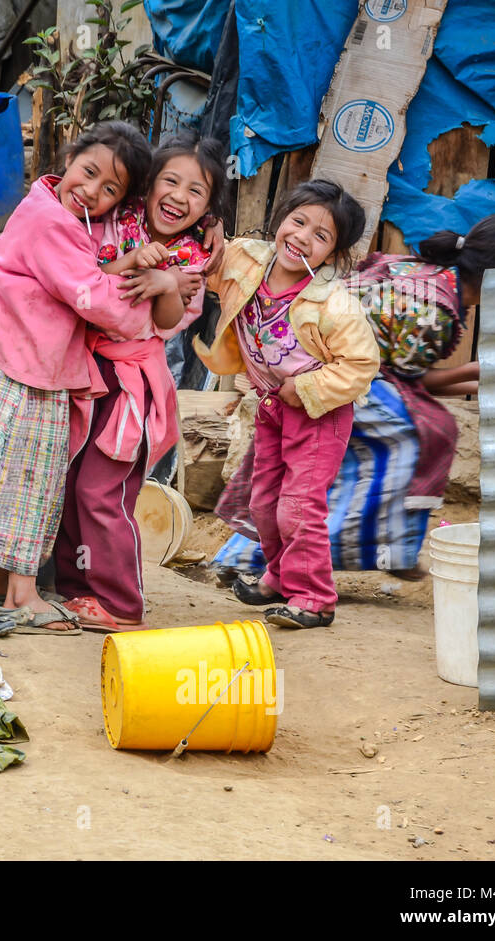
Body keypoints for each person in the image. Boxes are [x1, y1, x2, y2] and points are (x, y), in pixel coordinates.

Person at [0, 121, 166, 634]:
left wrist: (129, 261)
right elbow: (94, 298)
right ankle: (24, 596)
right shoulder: (49, 221)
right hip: (20, 366)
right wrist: (154, 312)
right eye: (88, 172)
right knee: (29, 481)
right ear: (67, 158)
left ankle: (2, 589)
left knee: (19, 477)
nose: (92, 191)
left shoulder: (62, 213)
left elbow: (91, 273)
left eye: (109, 190)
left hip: (30, 365)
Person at [212, 213, 495, 582]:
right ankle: (375, 548)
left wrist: (477, 378)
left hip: (308, 365)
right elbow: (401, 380)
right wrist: (475, 374)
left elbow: (407, 378)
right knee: (414, 435)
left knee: (320, 472)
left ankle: (245, 557)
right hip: (320, 380)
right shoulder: (435, 313)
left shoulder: (426, 273)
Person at [55, 133, 229, 631]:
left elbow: (170, 323)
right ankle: (74, 587)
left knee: (102, 489)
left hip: (132, 382)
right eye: (170, 182)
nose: (179, 197)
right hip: (87, 370)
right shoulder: (117, 216)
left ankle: (120, 602)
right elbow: (92, 270)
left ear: (208, 207)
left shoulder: (193, 257)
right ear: (147, 185)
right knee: (70, 481)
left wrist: (168, 284)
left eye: (197, 193)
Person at [195, 179, 378, 629]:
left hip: (319, 416)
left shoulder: (334, 304)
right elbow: (207, 258)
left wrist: (307, 388)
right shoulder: (247, 260)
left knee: (297, 507)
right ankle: (279, 576)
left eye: (321, 236)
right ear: (280, 220)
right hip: (274, 407)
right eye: (298, 222)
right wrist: (211, 224)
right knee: (263, 504)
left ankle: (315, 598)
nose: (302, 238)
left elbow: (362, 363)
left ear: (333, 255)